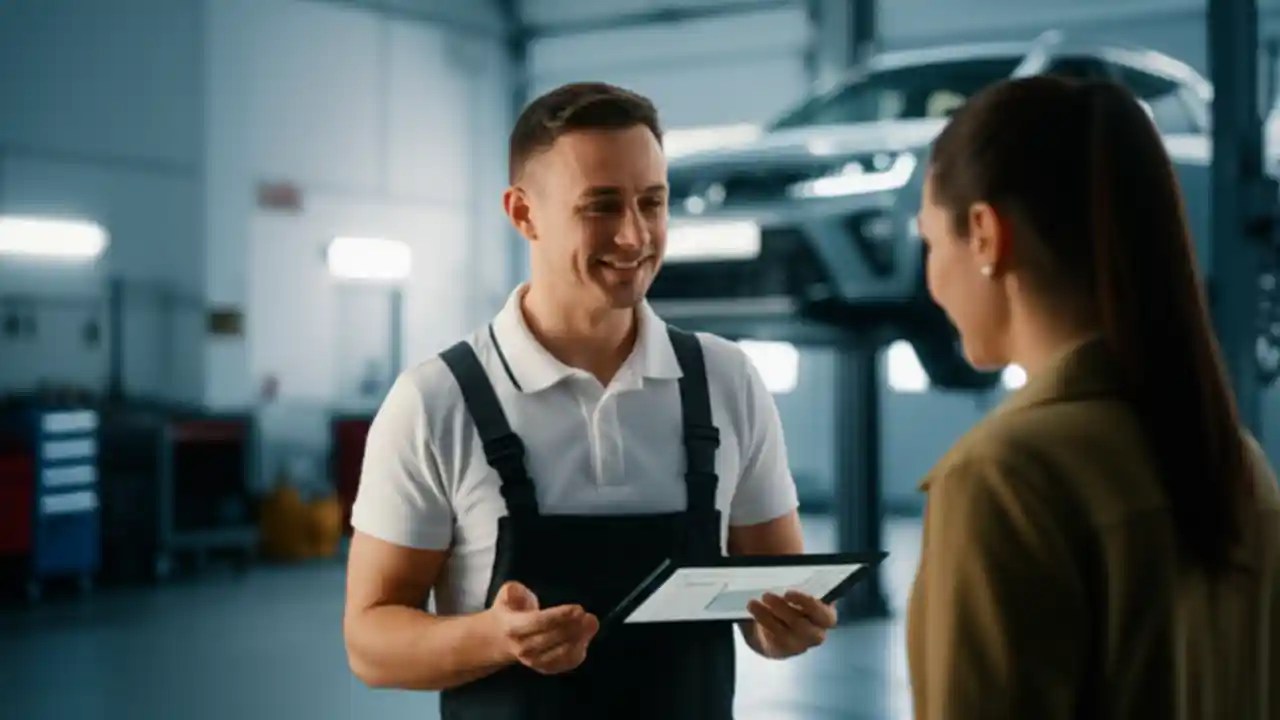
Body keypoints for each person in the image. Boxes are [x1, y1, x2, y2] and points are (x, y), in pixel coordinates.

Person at [342, 81, 836, 719]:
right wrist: (494, 638)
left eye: (652, 203)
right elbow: (370, 643)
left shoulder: (726, 381)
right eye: (600, 206)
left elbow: (773, 599)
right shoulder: (436, 402)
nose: (633, 236)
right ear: (523, 213)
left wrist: (783, 629)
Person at [907, 73, 1280, 719]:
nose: (932, 280)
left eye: (932, 243)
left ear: (986, 236)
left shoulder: (1004, 476)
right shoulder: (1238, 462)